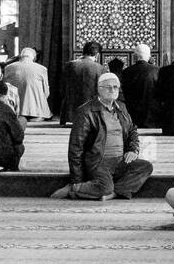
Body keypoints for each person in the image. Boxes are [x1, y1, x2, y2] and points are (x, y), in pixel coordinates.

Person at [54, 72, 153, 200]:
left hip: (119, 161)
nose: (112, 90)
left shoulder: (121, 107)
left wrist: (133, 149)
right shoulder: (86, 111)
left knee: (145, 167)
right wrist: (76, 180)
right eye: (108, 87)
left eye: (115, 87)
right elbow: (75, 148)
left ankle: (113, 193)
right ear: (99, 89)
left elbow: (132, 129)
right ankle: (75, 188)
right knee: (105, 187)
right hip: (98, 162)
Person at [3, 47, 51, 123]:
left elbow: (4, 90)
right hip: (36, 111)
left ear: (20, 56)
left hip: (14, 109)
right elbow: (46, 92)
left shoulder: (8, 68)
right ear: (34, 58)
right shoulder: (42, 69)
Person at [61, 42, 103, 127]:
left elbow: (63, 88)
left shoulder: (69, 65)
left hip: (71, 114)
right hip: (90, 113)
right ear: (97, 55)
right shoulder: (100, 68)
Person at [120, 43, 161, 128]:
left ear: (134, 56)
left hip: (133, 117)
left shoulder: (126, 72)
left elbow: (123, 94)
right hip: (153, 117)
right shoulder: (158, 71)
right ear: (149, 56)